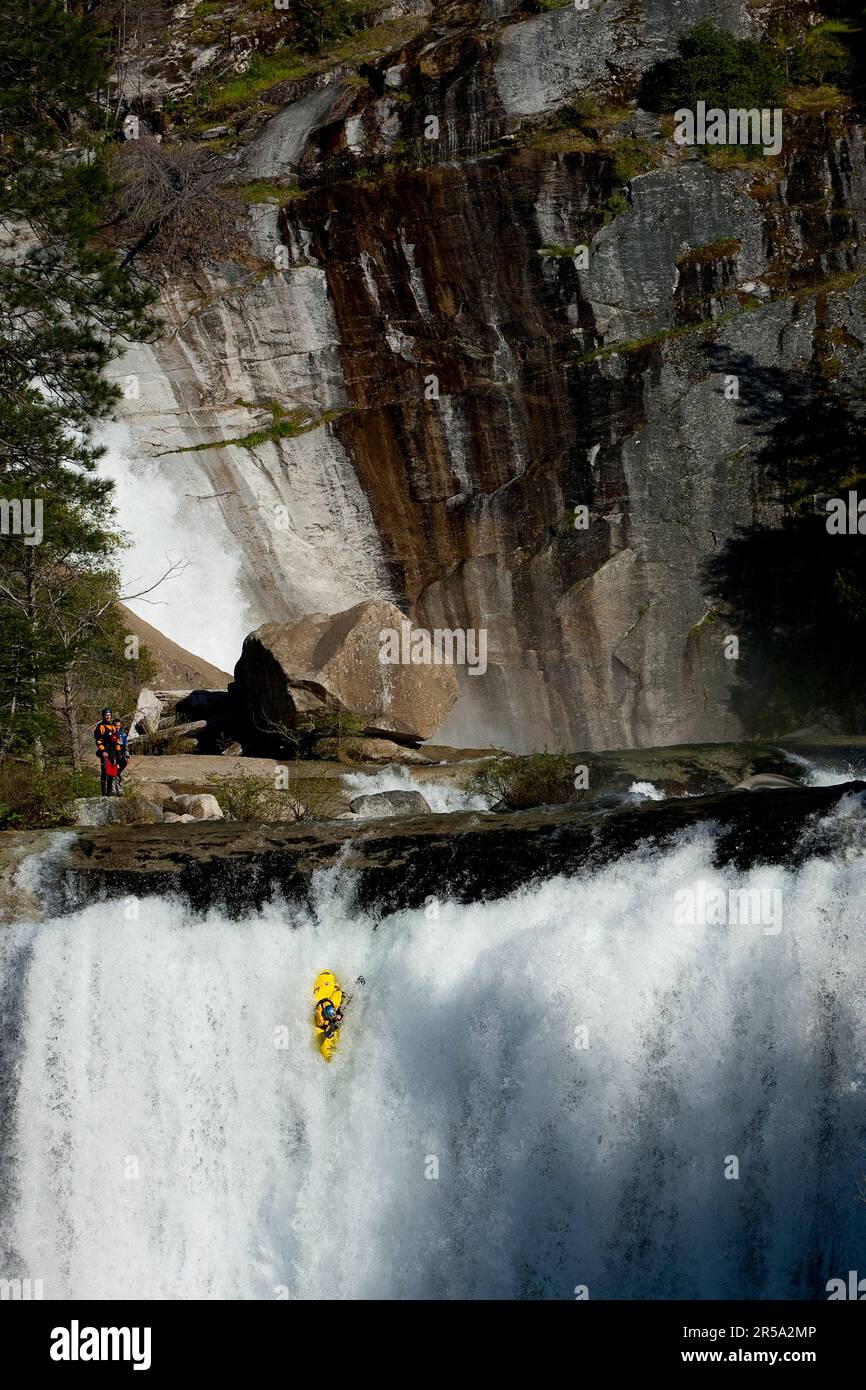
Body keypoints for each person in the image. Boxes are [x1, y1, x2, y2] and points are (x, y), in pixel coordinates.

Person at [93, 708, 119, 797]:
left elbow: (116, 742)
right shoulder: (101, 726)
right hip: (105, 751)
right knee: (105, 771)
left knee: (112, 772)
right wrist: (103, 751)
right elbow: (98, 740)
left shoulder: (113, 727)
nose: (108, 717)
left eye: (109, 715)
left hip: (112, 752)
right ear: (103, 716)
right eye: (106, 715)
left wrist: (118, 754)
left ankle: (109, 791)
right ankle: (103, 792)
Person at [113, 718, 129, 788]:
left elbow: (125, 746)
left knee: (119, 772)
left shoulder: (122, 735)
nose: (117, 727)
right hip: (113, 756)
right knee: (114, 772)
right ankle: (115, 788)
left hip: (121, 756)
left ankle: (119, 787)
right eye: (116, 725)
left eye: (119, 725)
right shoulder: (110, 734)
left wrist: (127, 756)